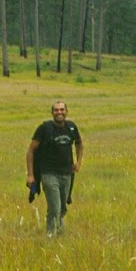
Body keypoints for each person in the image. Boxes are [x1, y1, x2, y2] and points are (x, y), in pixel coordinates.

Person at [25, 100, 82, 237]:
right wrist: (31, 175)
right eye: (56, 110)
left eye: (62, 110)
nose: (59, 113)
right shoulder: (44, 128)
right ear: (52, 113)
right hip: (48, 174)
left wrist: (78, 162)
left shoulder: (71, 127)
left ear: (66, 111)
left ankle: (61, 233)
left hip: (67, 174)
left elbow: (79, 144)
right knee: (55, 207)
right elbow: (31, 151)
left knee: (62, 207)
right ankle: (50, 235)